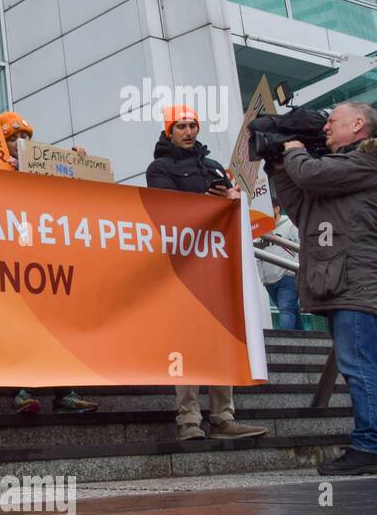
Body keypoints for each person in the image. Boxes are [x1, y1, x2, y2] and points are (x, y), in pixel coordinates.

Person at [146, 104, 269, 442]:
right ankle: (189, 419)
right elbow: (165, 212)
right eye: (181, 126)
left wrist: (232, 198)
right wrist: (205, 200)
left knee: (219, 340)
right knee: (185, 341)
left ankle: (222, 417)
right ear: (169, 131)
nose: (188, 132)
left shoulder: (215, 167)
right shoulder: (158, 168)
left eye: (192, 125)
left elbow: (231, 210)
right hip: (182, 269)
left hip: (218, 266)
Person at [269, 101, 377, 475]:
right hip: (338, 284)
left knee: (359, 366)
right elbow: (301, 212)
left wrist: (296, 149)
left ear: (359, 123)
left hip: (357, 284)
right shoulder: (338, 170)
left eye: (332, 121)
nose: (326, 127)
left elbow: (312, 176)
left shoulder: (366, 160)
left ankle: (369, 445)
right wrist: (279, 166)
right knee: (357, 365)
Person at [0, 112, 100, 415]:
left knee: (56, 324)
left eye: (25, 136)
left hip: (46, 258)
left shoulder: (42, 166)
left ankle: (65, 390)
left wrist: (77, 163)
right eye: (12, 138)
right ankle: (22, 391)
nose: (20, 143)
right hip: (10, 260)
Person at [256, 206, 303, 331]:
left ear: (276, 209)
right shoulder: (260, 229)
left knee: (286, 308)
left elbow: (301, 246)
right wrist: (263, 279)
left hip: (288, 276)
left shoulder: (290, 224)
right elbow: (258, 256)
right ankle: (304, 338)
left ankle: (283, 342)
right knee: (290, 310)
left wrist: (293, 270)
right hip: (270, 281)